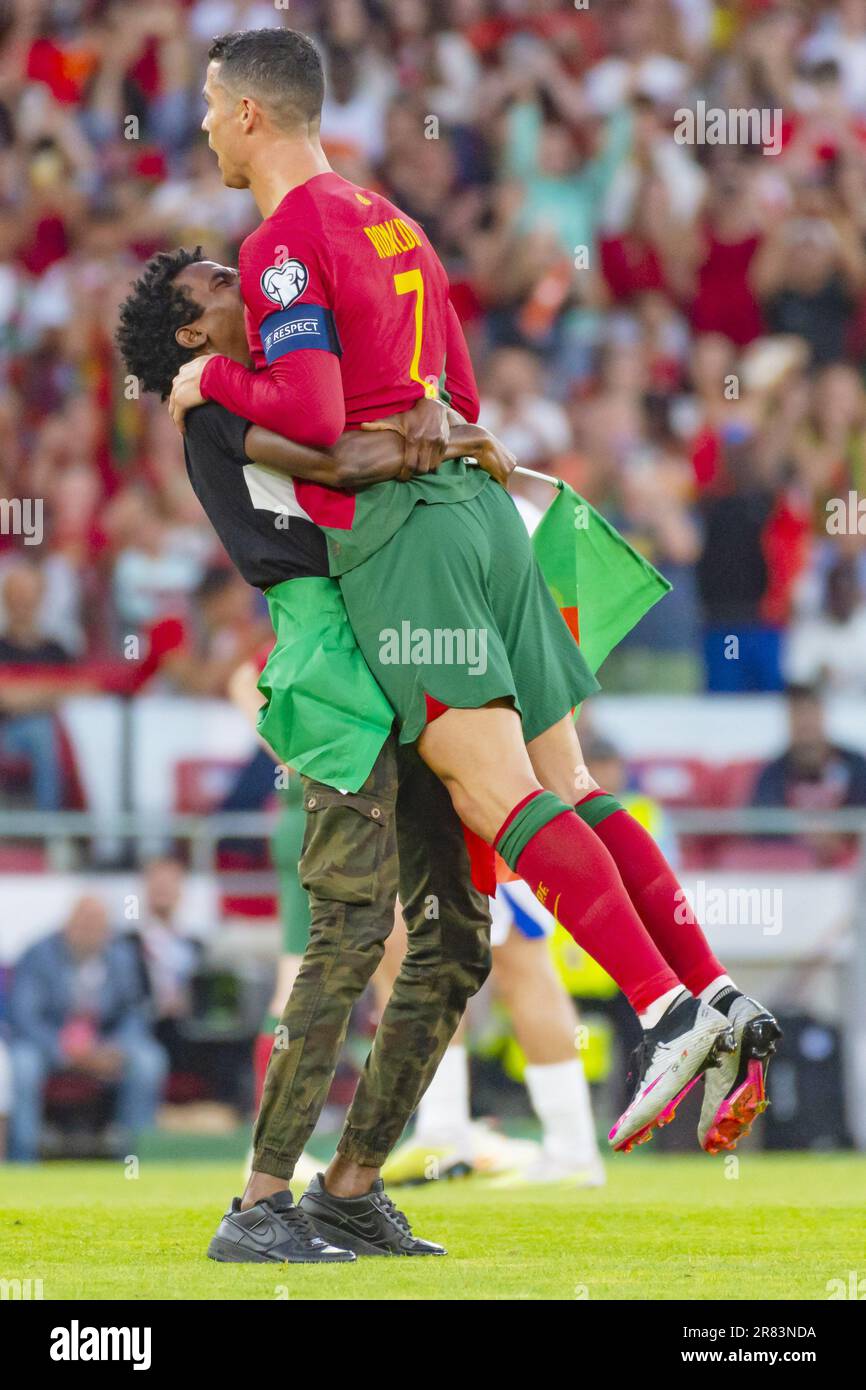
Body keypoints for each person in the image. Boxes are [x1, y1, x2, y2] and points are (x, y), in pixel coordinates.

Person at [167, 27, 780, 1182]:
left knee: (496, 797)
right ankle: (710, 985)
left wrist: (209, 380)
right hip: (483, 510)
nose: (200, 123)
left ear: (251, 114)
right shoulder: (389, 215)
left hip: (407, 535)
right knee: (570, 783)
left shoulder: (280, 242)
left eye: (208, 104)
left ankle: (659, 1013)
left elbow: (303, 411)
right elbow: (455, 390)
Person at [117, 249, 511, 1262]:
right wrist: (446, 435)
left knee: (458, 933)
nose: (236, 274)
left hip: (392, 631)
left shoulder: (271, 383)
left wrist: (443, 428)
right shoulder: (207, 406)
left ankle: (350, 1186)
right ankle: (255, 1203)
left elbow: (348, 433)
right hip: (329, 656)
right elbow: (341, 462)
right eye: (211, 281)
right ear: (193, 334)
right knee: (346, 927)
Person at [7, 896, 167, 1162]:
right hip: (49, 1046)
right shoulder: (38, 954)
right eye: (83, 922)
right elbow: (26, 1017)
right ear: (68, 924)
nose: (89, 930)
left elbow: (135, 1012)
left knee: (149, 1060)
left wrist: (115, 1047)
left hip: (104, 1046)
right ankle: (23, 1158)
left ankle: (136, 1159)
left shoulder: (121, 957)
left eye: (97, 924)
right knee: (22, 1064)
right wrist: (65, 1050)